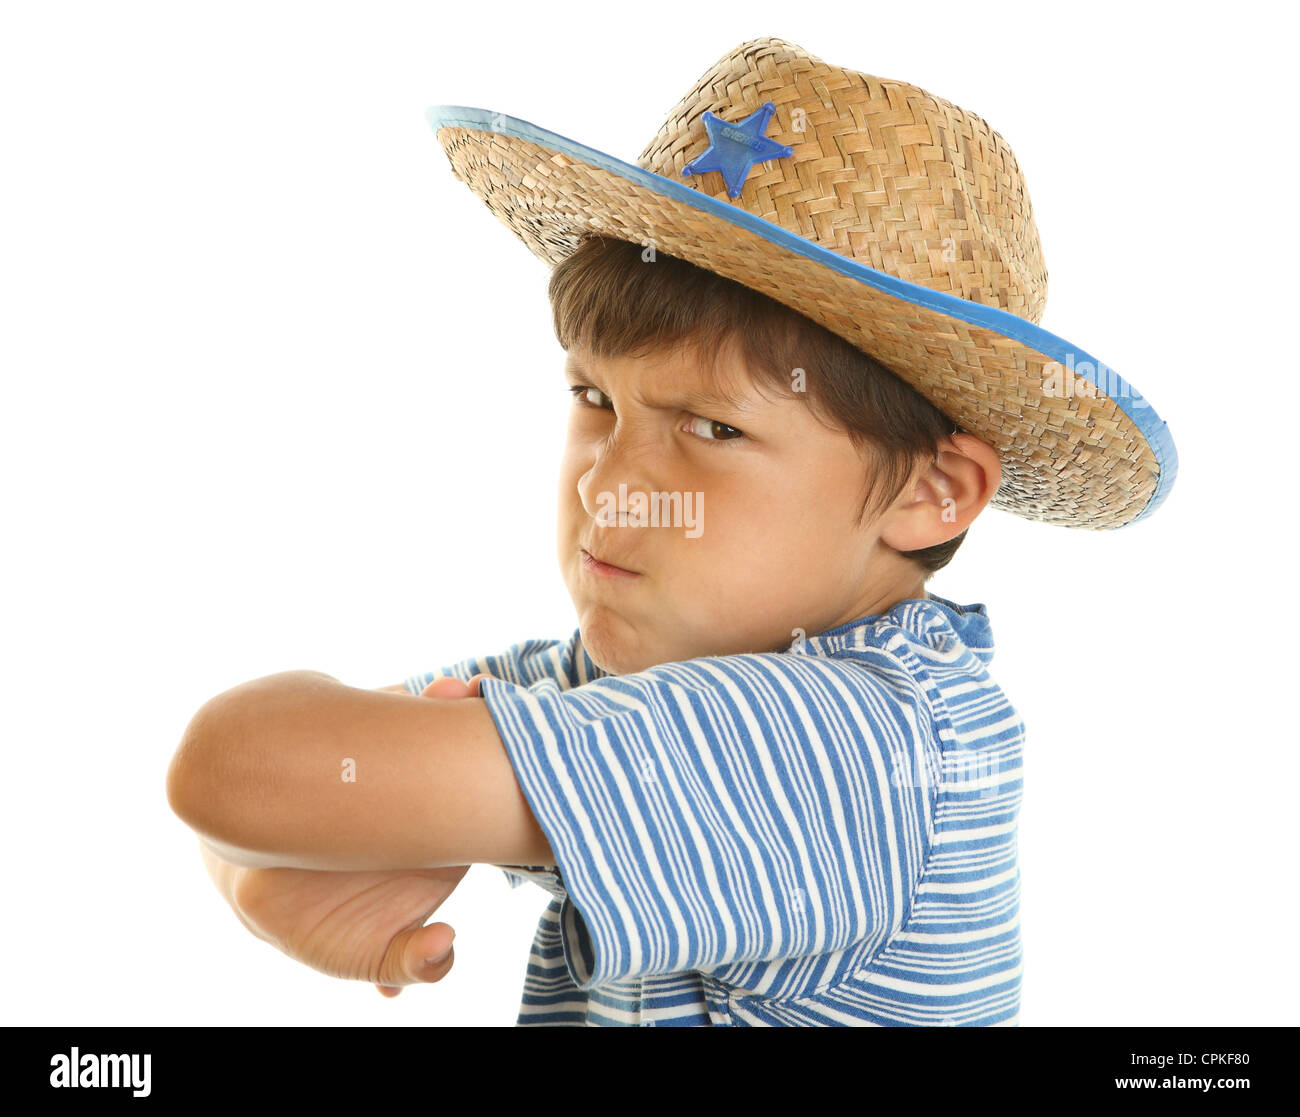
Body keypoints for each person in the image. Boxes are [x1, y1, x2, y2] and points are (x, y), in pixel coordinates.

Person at [166, 36, 1178, 1027]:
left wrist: (273, 854)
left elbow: (240, 771)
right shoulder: (636, 675)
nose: (610, 485)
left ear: (932, 490)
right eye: (595, 397)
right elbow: (275, 796)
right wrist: (268, 868)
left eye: (712, 426)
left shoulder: (848, 740)